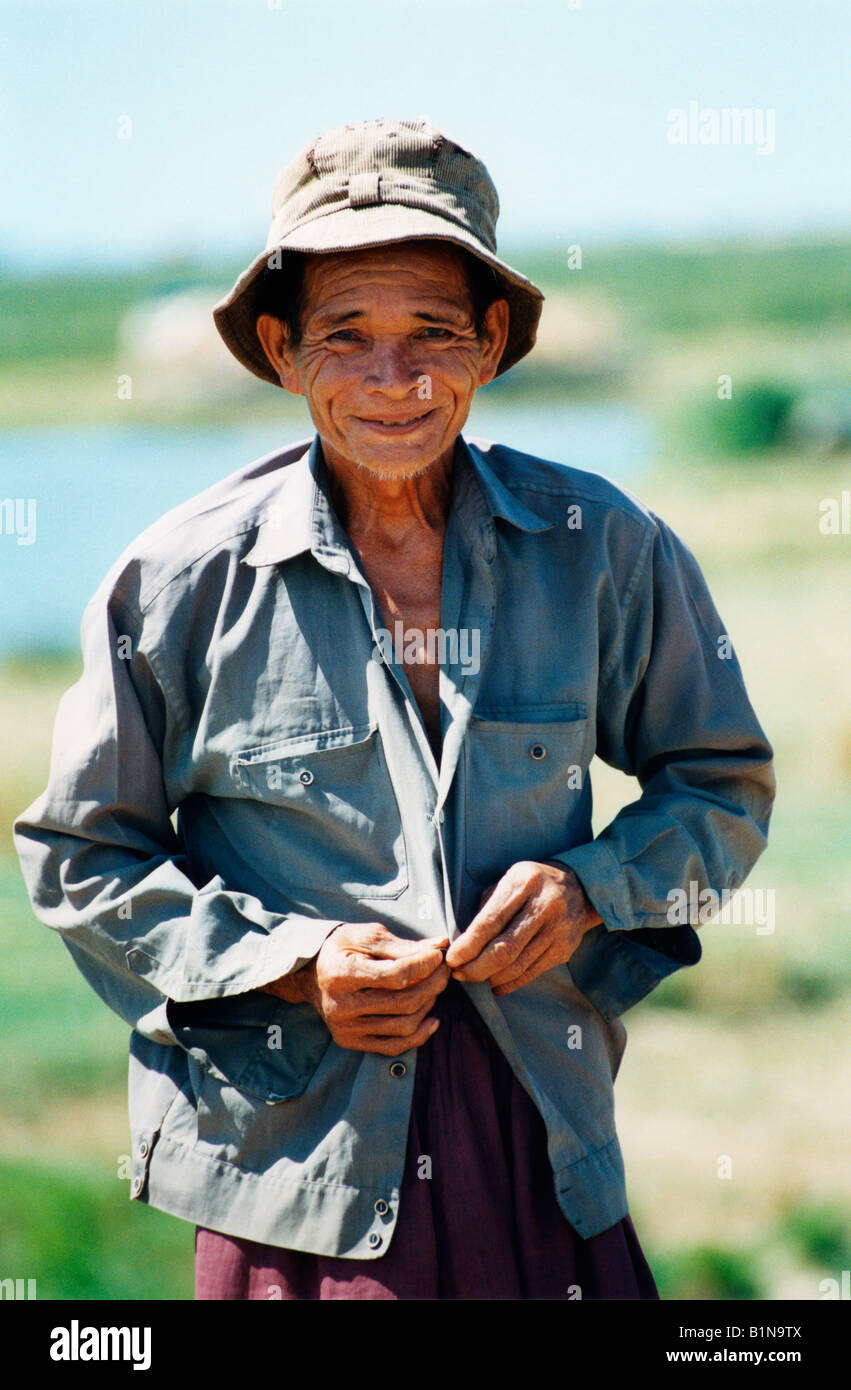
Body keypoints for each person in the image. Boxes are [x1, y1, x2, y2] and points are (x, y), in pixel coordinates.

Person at [14, 118, 775, 1301]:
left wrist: (587, 889)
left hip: (545, 1148)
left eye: (430, 333)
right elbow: (77, 856)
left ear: (489, 344)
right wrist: (290, 964)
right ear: (281, 350)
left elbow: (718, 787)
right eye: (345, 338)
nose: (392, 378)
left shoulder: (599, 546)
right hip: (297, 1180)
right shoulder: (176, 582)